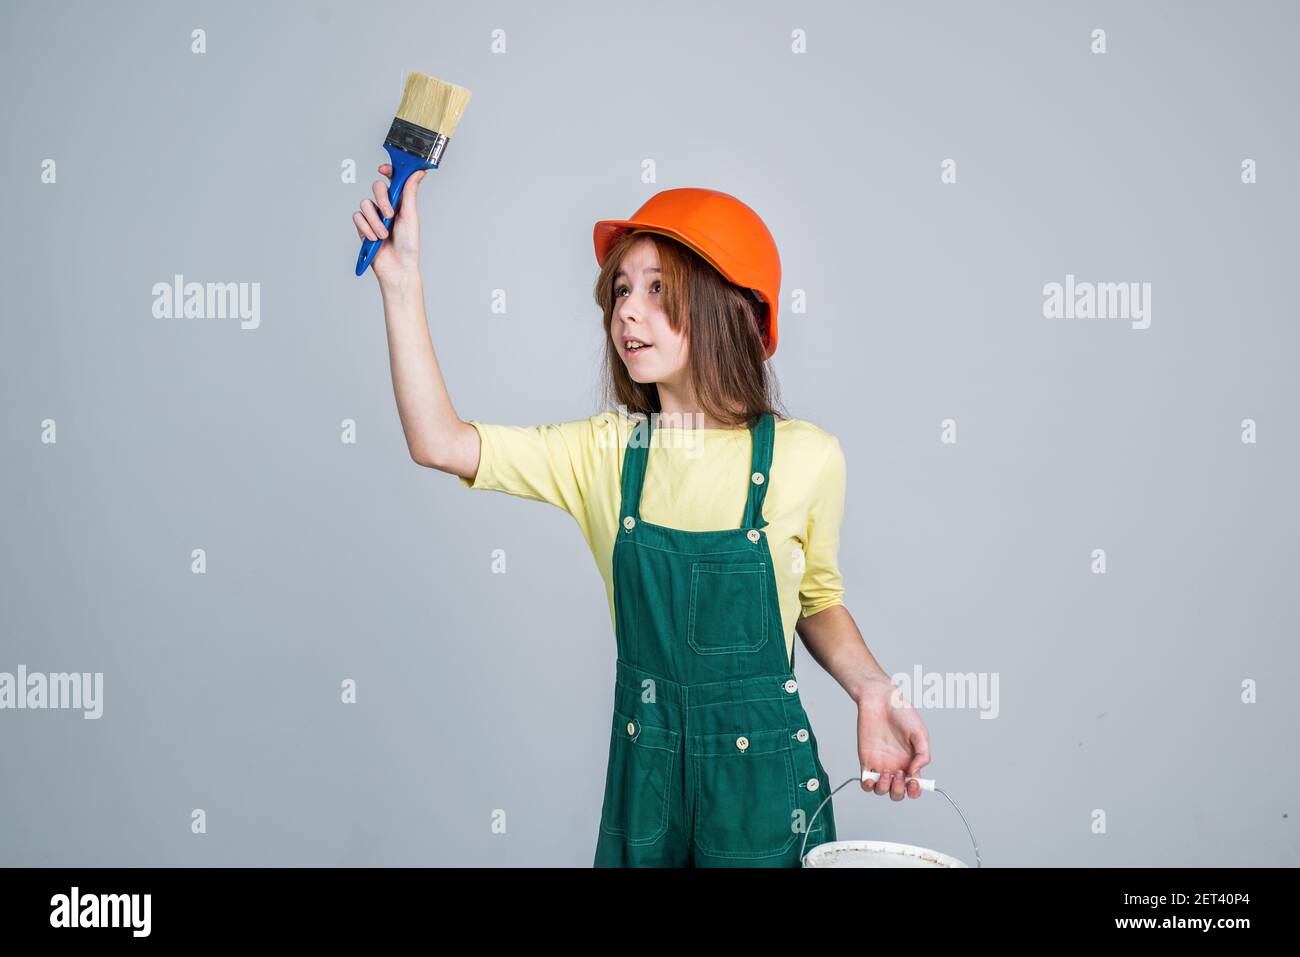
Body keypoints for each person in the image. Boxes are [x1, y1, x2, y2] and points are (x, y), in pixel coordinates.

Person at [352, 170, 932, 867]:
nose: (628, 310)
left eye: (658, 288)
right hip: (647, 786)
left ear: (730, 304)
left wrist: (872, 687)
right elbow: (438, 441)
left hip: (765, 791)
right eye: (621, 290)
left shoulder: (807, 459)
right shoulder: (605, 454)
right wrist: (401, 279)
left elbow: (813, 598)